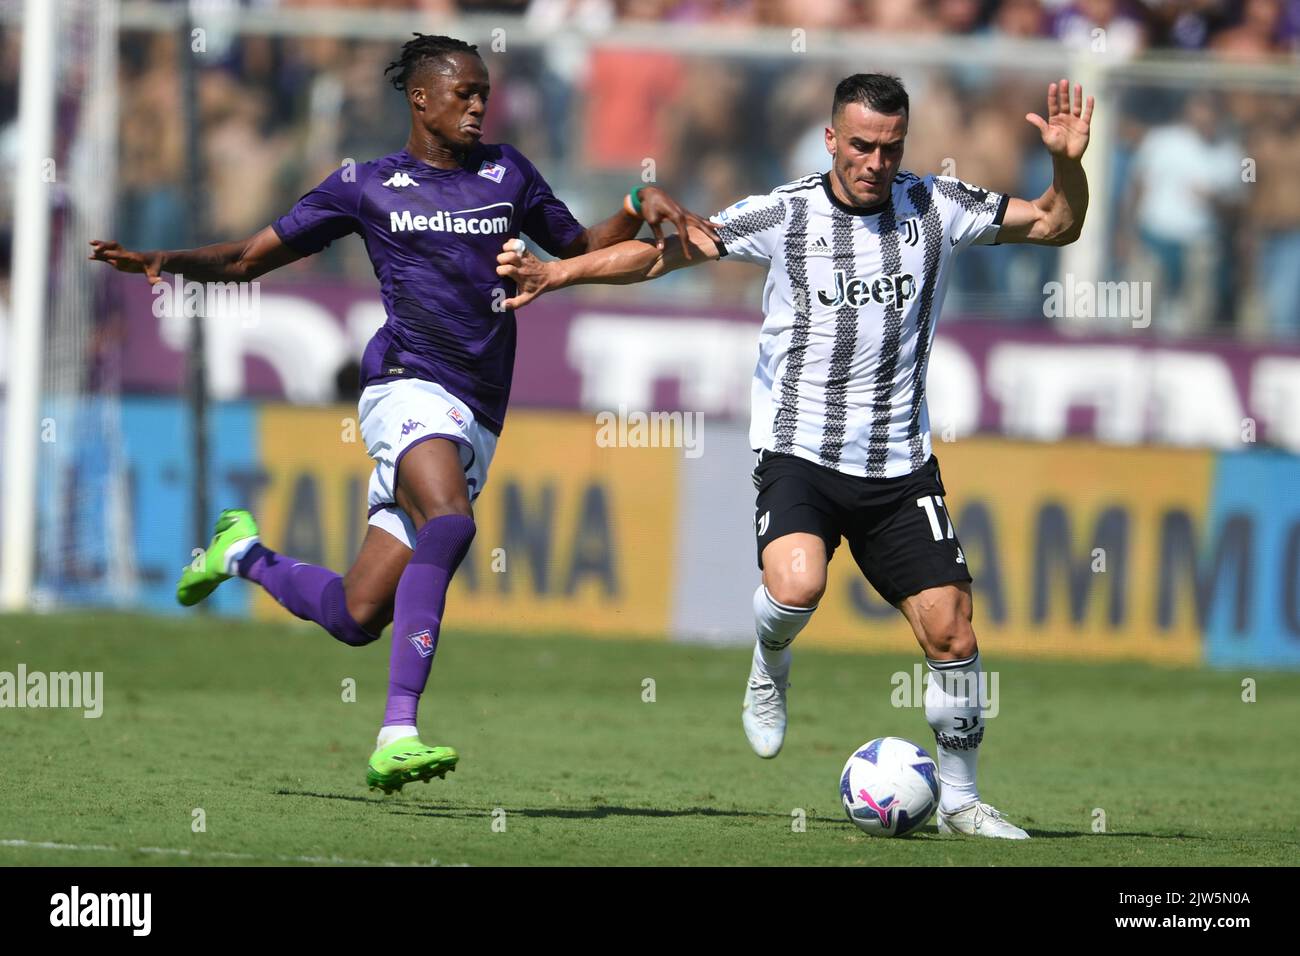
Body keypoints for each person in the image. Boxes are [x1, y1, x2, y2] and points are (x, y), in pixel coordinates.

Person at [90, 33, 716, 794]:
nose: (481, 103)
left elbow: (575, 248)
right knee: (450, 520)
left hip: (480, 409)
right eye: (466, 92)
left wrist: (632, 205)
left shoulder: (508, 173)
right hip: (406, 386)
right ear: (420, 99)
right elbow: (252, 257)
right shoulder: (367, 185)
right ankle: (398, 730)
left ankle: (242, 554)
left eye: (485, 91)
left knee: (358, 616)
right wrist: (167, 260)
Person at [496, 73, 1094, 839]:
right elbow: (661, 256)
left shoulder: (936, 205)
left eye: (890, 148)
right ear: (831, 141)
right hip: (800, 451)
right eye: (861, 146)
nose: (875, 163)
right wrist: (555, 273)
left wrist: (1068, 165)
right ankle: (769, 663)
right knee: (798, 584)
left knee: (953, 634)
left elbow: (1054, 224)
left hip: (898, 464)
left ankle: (962, 801)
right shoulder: (785, 212)